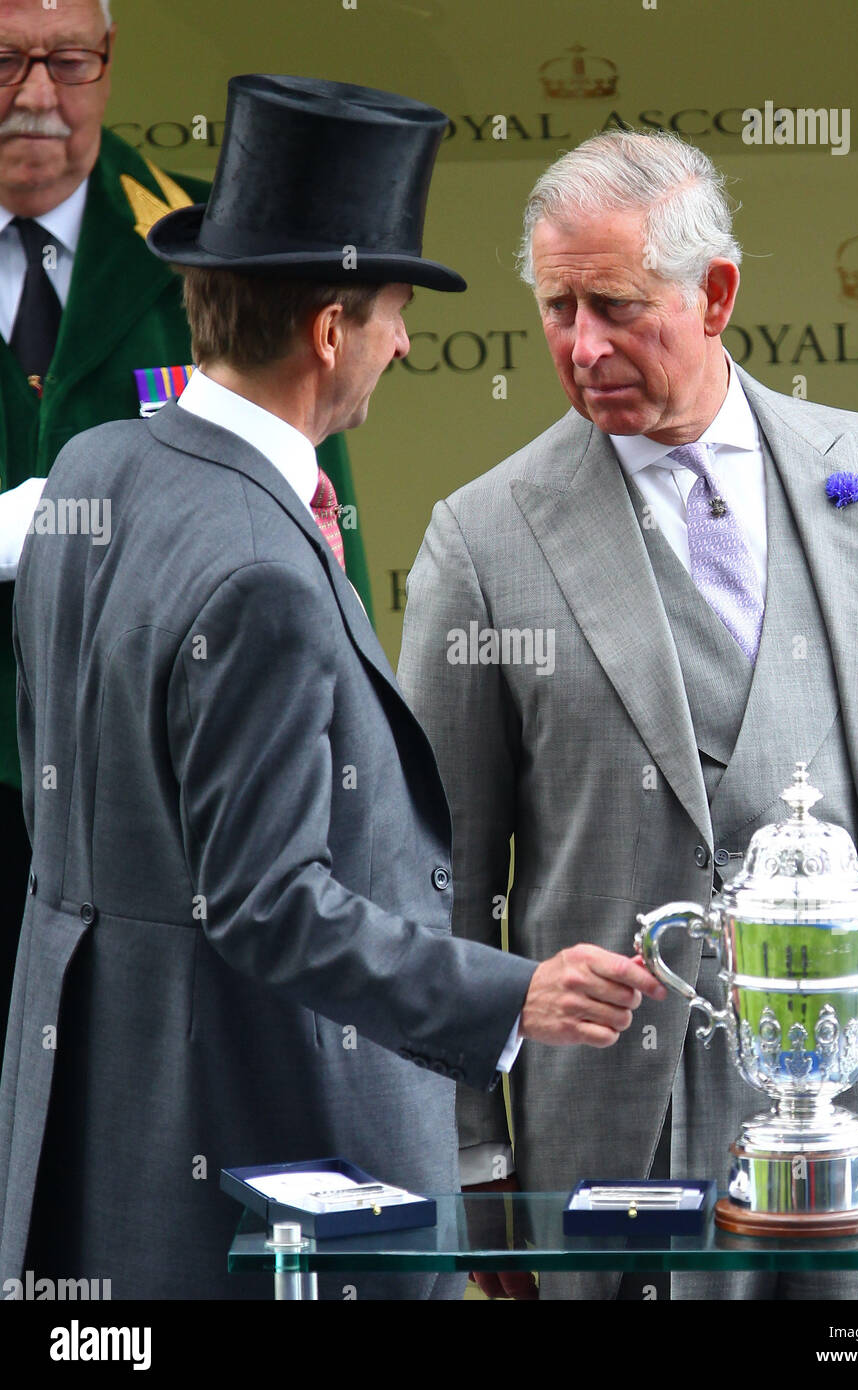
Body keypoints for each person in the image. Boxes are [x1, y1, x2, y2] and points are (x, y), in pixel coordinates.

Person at [0, 78, 663, 1301]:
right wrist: (516, 991)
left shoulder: (90, 469)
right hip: (253, 1180)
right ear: (326, 331)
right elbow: (267, 905)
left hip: (90, 1152)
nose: (403, 341)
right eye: (395, 311)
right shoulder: (261, 569)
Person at [398, 129, 858, 1300]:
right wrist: (474, 1161)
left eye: (615, 307)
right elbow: (442, 879)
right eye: (557, 308)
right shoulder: (481, 542)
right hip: (625, 1153)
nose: (581, 347)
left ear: (714, 293)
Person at [0, 1, 370, 1037]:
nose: (37, 96)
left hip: (163, 784)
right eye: (5, 62)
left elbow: (314, 516)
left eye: (68, 59)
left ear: (109, 63)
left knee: (136, 1119)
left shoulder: (217, 248)